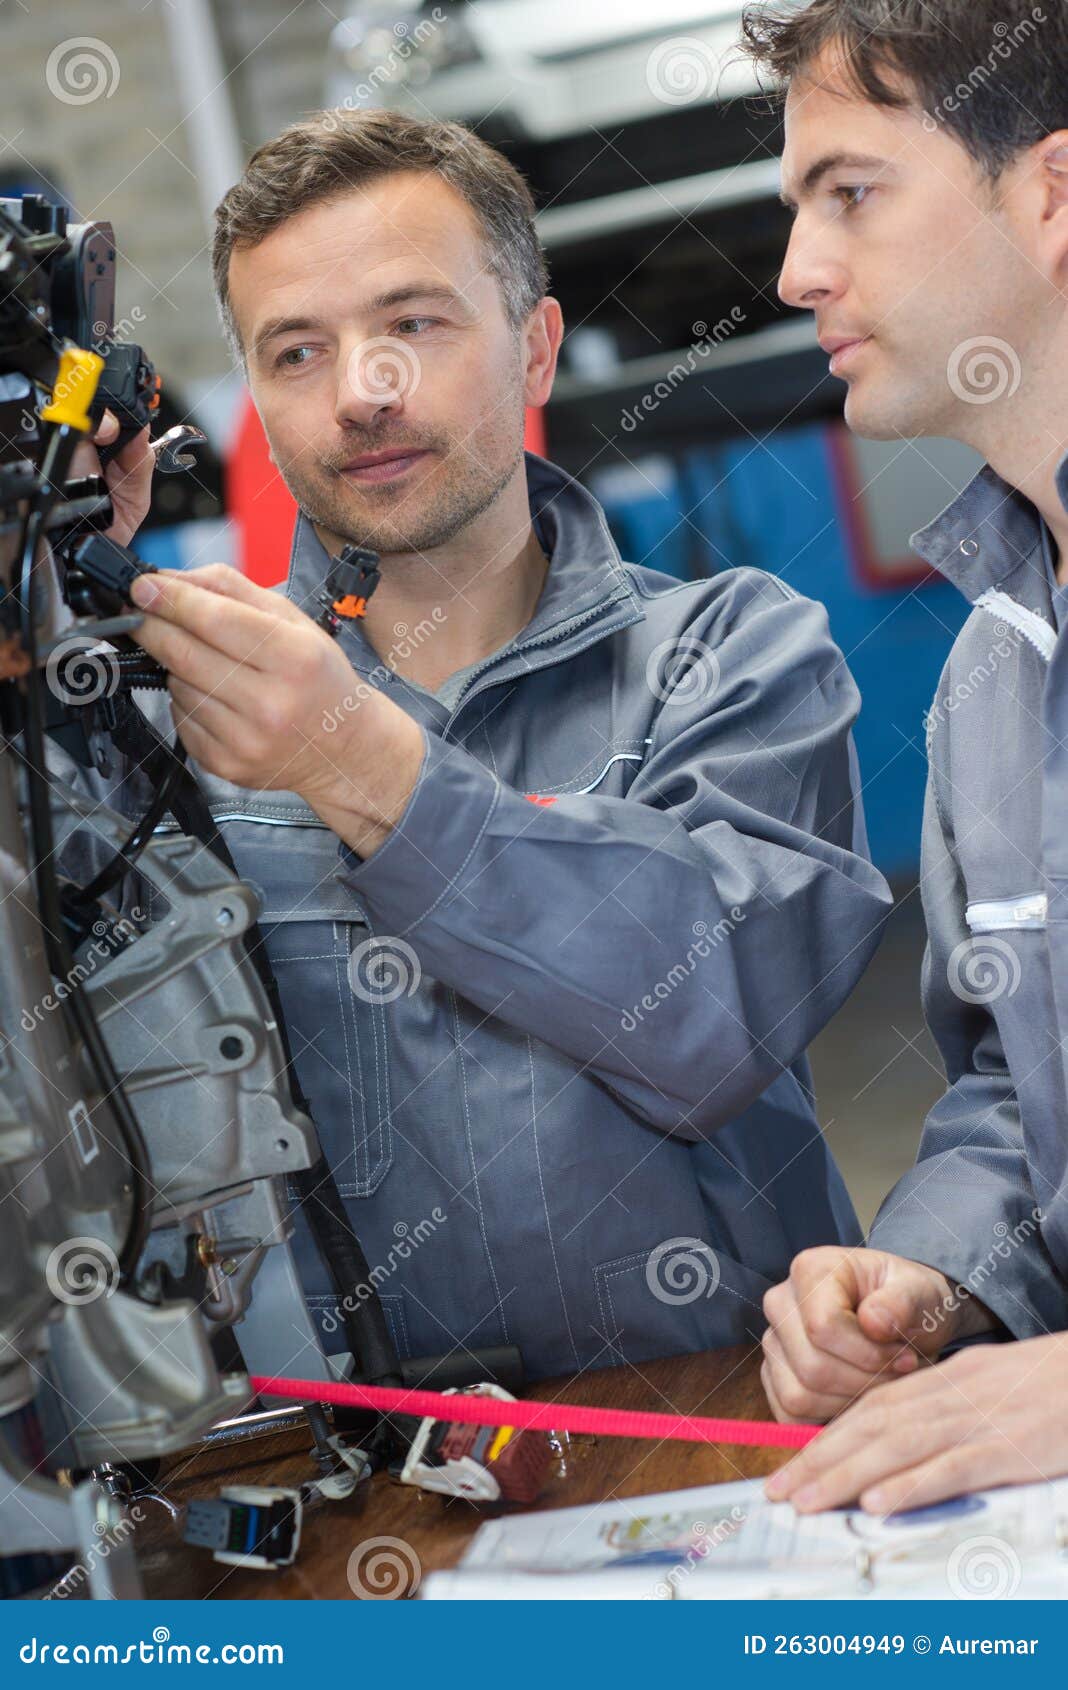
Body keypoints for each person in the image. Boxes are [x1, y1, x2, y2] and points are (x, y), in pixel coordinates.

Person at [55, 108, 890, 1381]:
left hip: (714, 1437)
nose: (362, 393)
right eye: (296, 351)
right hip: (350, 1474)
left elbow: (716, 1014)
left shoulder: (731, 655)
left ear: (536, 348)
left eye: (414, 322)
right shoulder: (164, 715)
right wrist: (52, 614)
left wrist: (356, 763)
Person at [737, 0, 1068, 1509]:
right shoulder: (993, 668)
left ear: (1050, 195)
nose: (798, 270)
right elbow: (1017, 1087)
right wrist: (937, 1278)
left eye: (851, 193)